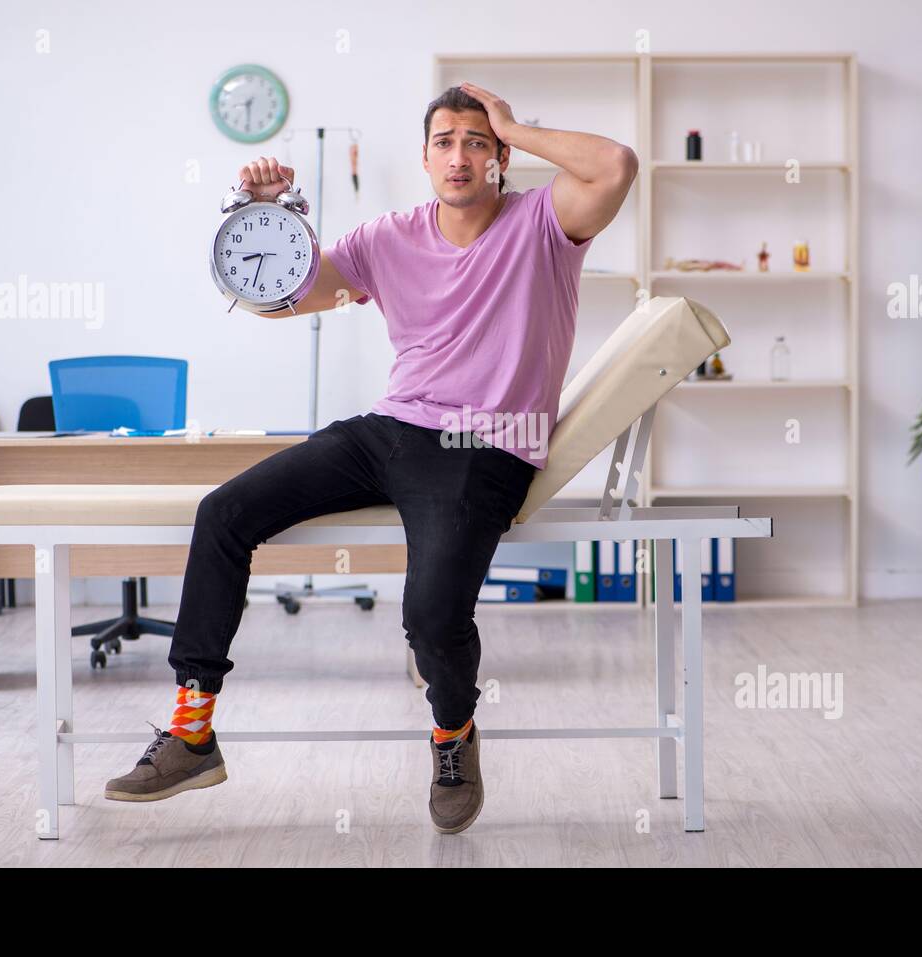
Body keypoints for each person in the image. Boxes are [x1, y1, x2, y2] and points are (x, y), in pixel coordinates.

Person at [104, 82, 638, 834]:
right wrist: (267, 214)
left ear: (501, 157)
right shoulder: (390, 236)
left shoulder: (544, 222)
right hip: (388, 430)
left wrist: (514, 122)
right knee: (223, 512)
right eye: (446, 141)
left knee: (428, 613)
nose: (460, 156)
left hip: (482, 446)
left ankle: (452, 733)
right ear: (424, 157)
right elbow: (278, 296)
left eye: (478, 142)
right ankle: (193, 728)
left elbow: (615, 165)